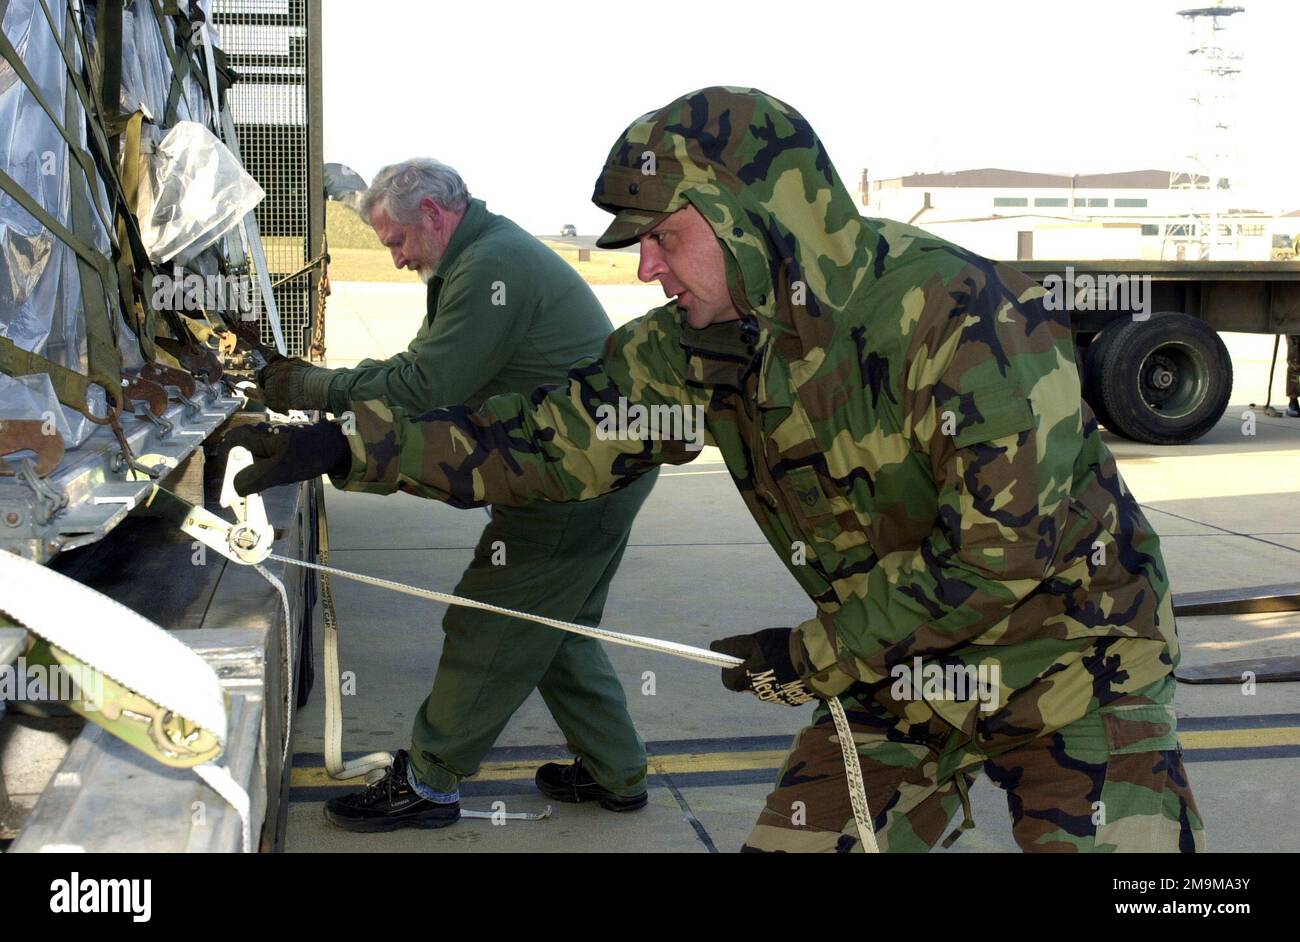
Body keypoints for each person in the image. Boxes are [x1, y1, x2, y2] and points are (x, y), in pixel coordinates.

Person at [226, 89, 1203, 852]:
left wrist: (820, 652)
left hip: (1071, 655)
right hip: (895, 667)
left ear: (754, 220)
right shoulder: (695, 345)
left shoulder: (963, 319)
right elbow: (554, 442)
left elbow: (998, 558)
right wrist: (347, 449)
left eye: (664, 236)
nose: (646, 269)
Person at [255, 158, 657, 831]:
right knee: (554, 631)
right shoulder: (480, 255)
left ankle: (430, 784)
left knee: (488, 622)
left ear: (436, 216)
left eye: (398, 242)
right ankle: (616, 772)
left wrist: (308, 388)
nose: (395, 258)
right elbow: (436, 373)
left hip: (572, 481)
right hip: (593, 469)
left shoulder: (491, 266)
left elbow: (421, 385)